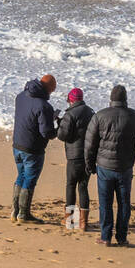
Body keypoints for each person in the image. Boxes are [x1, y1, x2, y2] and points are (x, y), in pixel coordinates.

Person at [84, 84, 135, 247]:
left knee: (105, 203)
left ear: (111, 99)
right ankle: (121, 237)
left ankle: (105, 237)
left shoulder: (100, 116)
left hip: (105, 167)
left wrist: (89, 163)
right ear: (125, 99)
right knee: (124, 203)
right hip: (125, 167)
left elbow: (90, 144)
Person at [11, 74, 58, 224]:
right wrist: (59, 127)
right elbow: (47, 133)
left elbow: (28, 117)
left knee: (21, 176)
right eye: (52, 90)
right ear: (49, 89)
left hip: (17, 144)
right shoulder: (44, 106)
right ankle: (23, 214)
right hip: (32, 148)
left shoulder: (20, 96)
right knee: (29, 179)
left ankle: (15, 211)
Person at [57, 87, 94, 232]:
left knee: (71, 186)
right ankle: (84, 222)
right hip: (88, 155)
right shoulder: (91, 112)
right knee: (83, 187)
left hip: (74, 156)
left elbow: (62, 135)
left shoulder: (70, 114)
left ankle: (70, 219)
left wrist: (59, 123)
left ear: (70, 100)